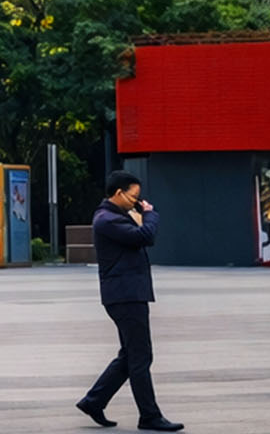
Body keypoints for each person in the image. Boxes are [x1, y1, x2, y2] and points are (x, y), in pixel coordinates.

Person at [75, 171, 182, 432]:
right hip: (125, 295)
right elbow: (145, 237)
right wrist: (150, 214)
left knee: (130, 355)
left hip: (128, 293)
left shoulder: (115, 217)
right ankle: (149, 416)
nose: (137, 201)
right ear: (118, 193)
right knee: (140, 356)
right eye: (133, 196)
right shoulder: (107, 219)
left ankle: (94, 401)